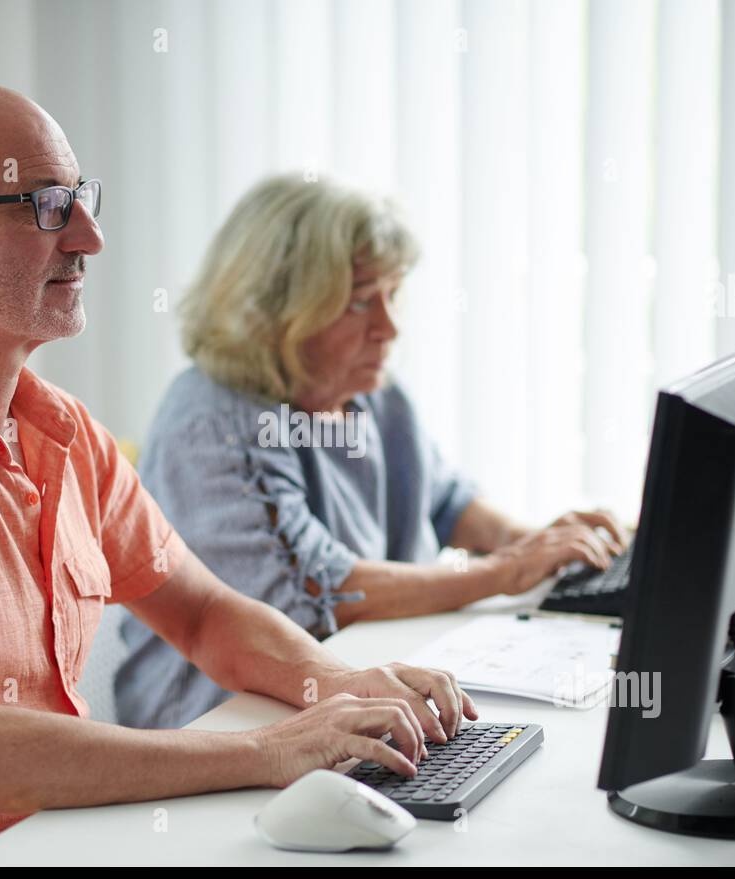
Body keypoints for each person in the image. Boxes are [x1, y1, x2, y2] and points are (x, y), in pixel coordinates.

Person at [0, 84, 475, 866]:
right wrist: (271, 750)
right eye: (42, 206)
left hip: (56, 842)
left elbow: (203, 615)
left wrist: (341, 688)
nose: (89, 238)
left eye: (80, 199)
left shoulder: (60, 431)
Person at [116, 174, 629, 729]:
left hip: (351, 688)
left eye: (392, 294)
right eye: (360, 302)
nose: (389, 327)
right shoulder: (213, 422)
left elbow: (445, 502)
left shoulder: (369, 393)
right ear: (272, 311)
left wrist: (532, 541)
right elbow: (316, 590)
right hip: (220, 719)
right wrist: (505, 570)